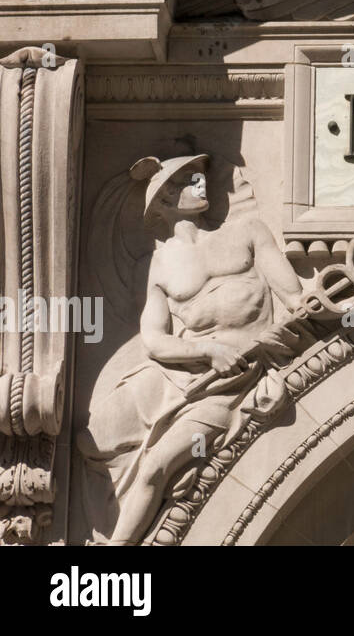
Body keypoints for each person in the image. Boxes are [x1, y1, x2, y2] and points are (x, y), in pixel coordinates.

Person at [80, 154, 315, 544]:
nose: (202, 182)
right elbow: (154, 339)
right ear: (165, 201)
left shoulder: (249, 232)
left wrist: (349, 298)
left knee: (155, 465)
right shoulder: (156, 265)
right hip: (181, 373)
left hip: (231, 383)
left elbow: (297, 300)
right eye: (189, 179)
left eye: (201, 175)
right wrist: (208, 351)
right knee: (91, 440)